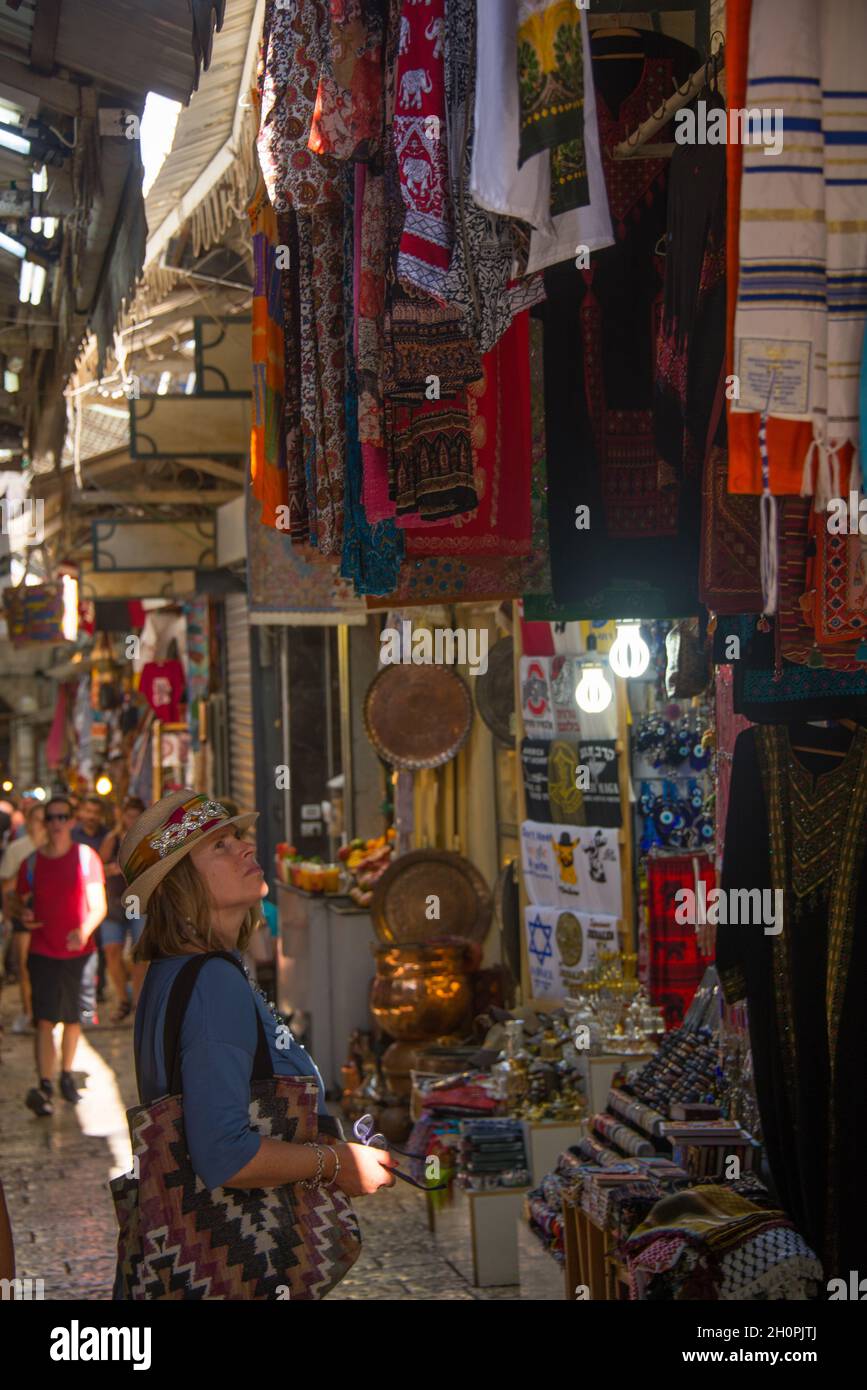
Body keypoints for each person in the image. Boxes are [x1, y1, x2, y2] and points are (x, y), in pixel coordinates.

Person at [118, 790, 394, 1298]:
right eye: (220, 846)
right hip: (235, 1264)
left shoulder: (174, 972)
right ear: (182, 883)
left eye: (237, 837)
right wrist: (336, 1165)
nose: (246, 849)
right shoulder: (211, 983)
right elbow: (225, 1154)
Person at [13, 793, 107, 1116]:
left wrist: (82, 932)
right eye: (50, 818)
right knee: (44, 1019)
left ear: (72, 820)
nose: (56, 823)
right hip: (43, 952)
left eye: (62, 817)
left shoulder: (86, 858)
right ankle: (46, 1082)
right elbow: (15, 899)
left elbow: (99, 906)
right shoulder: (32, 863)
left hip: (79, 954)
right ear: (44, 822)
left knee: (72, 1019)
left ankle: (66, 1073)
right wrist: (22, 915)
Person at [99, 796, 147, 1022]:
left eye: (137, 815)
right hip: (115, 902)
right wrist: (115, 868)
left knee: (140, 954)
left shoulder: (148, 839)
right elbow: (98, 868)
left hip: (139, 901)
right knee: (112, 951)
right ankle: (122, 998)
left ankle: (138, 1000)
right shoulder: (113, 839)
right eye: (130, 815)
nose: (133, 819)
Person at [0, 802, 46, 1033]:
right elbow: (7, 886)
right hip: (24, 913)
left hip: (51, 915)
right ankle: (29, 1012)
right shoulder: (18, 849)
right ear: (29, 822)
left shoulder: (57, 847)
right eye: (38, 819)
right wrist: (10, 915)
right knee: (25, 966)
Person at [72, 793, 107, 1024]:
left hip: (104, 900)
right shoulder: (73, 837)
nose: (91, 816)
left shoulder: (107, 836)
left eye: (95, 812)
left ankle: (98, 987)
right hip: (76, 903)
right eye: (88, 811)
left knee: (102, 947)